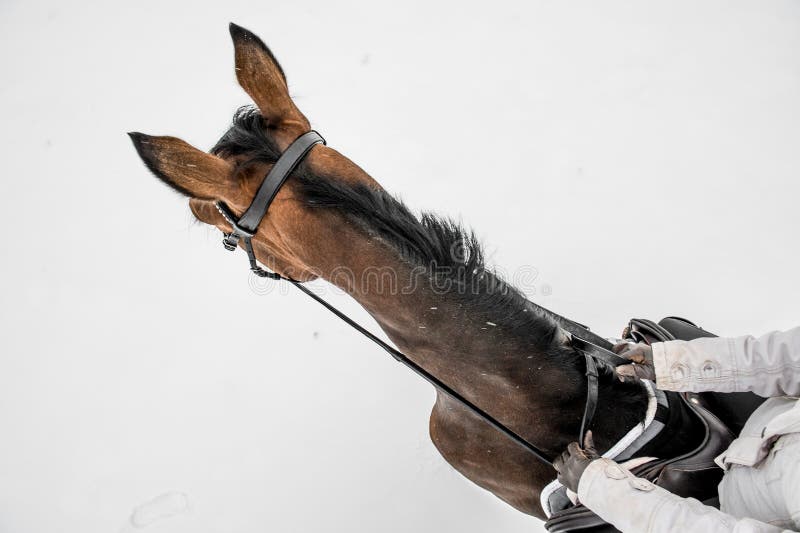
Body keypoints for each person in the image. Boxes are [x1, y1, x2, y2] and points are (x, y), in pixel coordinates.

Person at [553, 327, 800, 532]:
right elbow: (785, 355)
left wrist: (605, 491)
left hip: (733, 512)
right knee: (673, 328)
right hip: (763, 425)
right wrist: (670, 363)